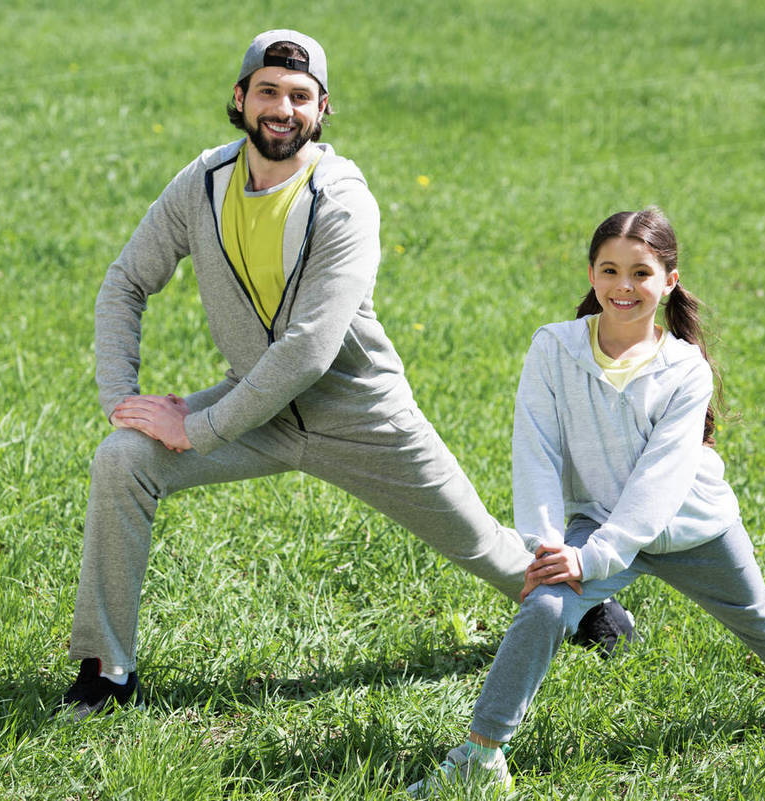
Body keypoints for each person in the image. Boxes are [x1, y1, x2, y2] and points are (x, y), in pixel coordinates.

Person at [58, 30, 634, 720]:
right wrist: (121, 396)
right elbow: (125, 280)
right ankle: (106, 669)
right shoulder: (202, 183)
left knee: (478, 541)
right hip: (259, 408)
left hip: (361, 413)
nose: (282, 108)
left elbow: (308, 349)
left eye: (300, 96)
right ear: (240, 99)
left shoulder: (344, 200)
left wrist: (200, 424)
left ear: (322, 109)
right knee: (123, 460)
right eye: (267, 91)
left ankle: (582, 602)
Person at [406, 208, 765, 797]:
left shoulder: (684, 369)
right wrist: (550, 548)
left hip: (689, 528)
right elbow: (536, 451)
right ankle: (481, 756)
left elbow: (659, 483)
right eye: (610, 270)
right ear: (592, 275)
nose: (625, 286)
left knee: (758, 616)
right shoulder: (553, 348)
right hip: (594, 522)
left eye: (642, 273)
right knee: (543, 608)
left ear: (669, 281)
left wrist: (594, 559)